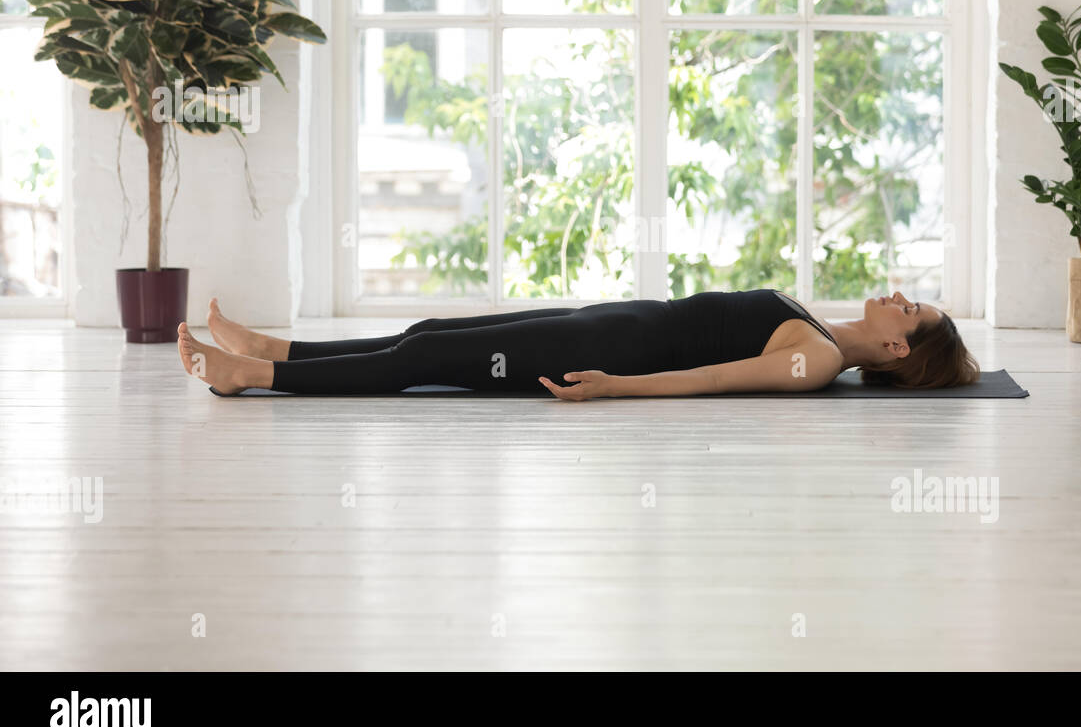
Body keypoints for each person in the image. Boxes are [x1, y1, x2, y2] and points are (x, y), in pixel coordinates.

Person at [177, 289, 979, 398]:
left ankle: (248, 376)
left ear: (901, 350)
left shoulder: (820, 360)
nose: (900, 298)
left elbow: (712, 378)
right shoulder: (823, 328)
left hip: (614, 350)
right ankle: (278, 347)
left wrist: (614, 387)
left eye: (913, 313)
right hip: (616, 319)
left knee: (424, 365)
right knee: (430, 332)